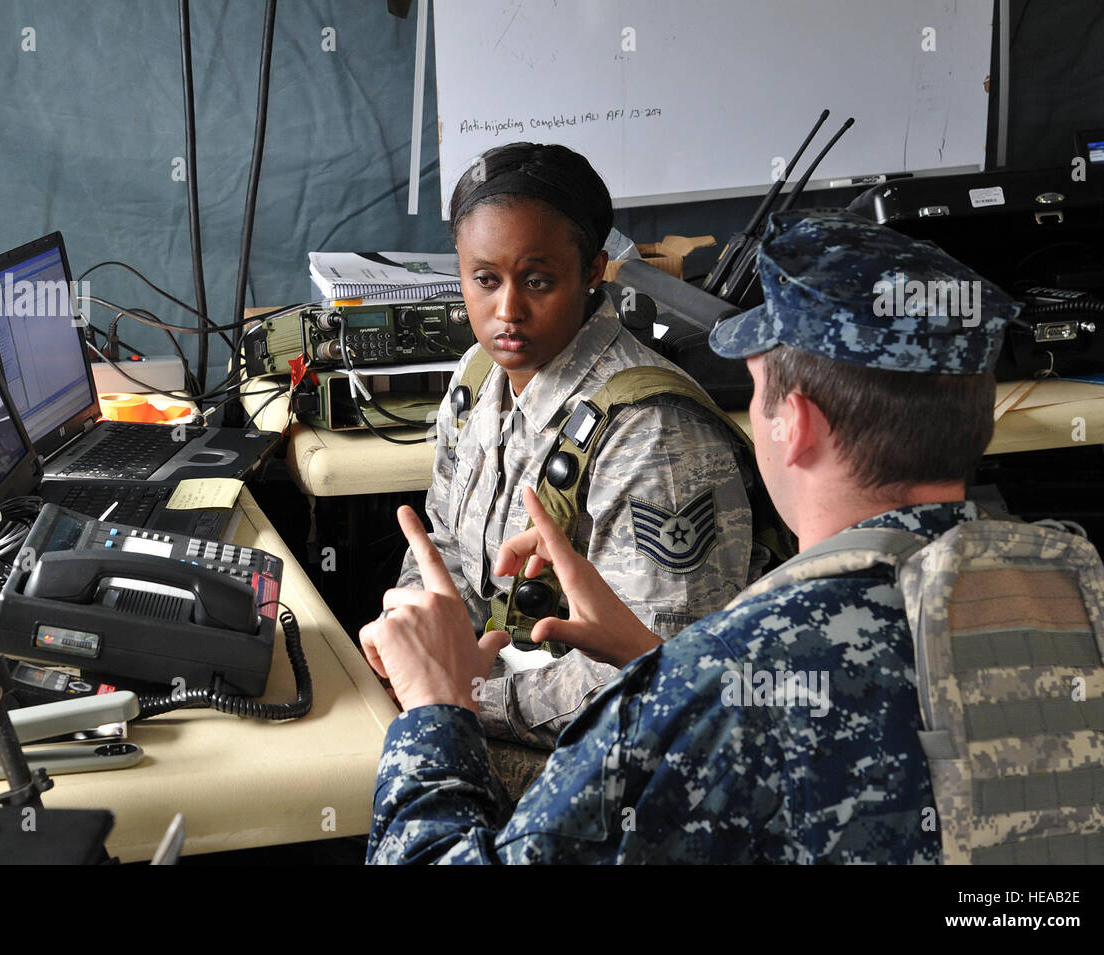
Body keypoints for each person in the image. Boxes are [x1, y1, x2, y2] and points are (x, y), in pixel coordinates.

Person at [360, 209, 1023, 863]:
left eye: (756, 391)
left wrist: (438, 709)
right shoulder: (1066, 592)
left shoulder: (726, 682)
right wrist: (652, 662)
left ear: (794, 425)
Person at [393, 142, 765, 763]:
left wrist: (458, 696)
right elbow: (445, 545)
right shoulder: (477, 376)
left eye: (538, 281)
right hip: (484, 695)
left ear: (593, 270)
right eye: (485, 280)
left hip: (607, 754)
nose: (507, 311)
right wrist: (413, 630)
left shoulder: (651, 434)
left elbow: (652, 670)